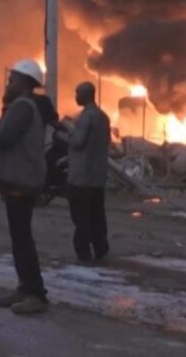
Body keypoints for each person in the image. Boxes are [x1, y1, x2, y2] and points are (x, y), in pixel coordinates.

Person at [0, 59, 49, 315]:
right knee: (19, 237)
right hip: (20, 179)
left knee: (22, 239)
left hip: (20, 180)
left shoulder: (21, 107)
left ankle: (35, 293)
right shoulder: (24, 105)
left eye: (13, 78)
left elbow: (3, 137)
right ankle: (25, 287)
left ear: (25, 83)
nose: (8, 82)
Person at [67, 82, 112, 262]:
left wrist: (67, 133)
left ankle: (83, 251)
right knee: (97, 215)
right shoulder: (103, 116)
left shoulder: (86, 117)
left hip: (81, 177)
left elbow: (78, 142)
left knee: (81, 216)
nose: (75, 97)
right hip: (97, 176)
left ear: (86, 95)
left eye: (77, 93)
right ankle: (101, 248)